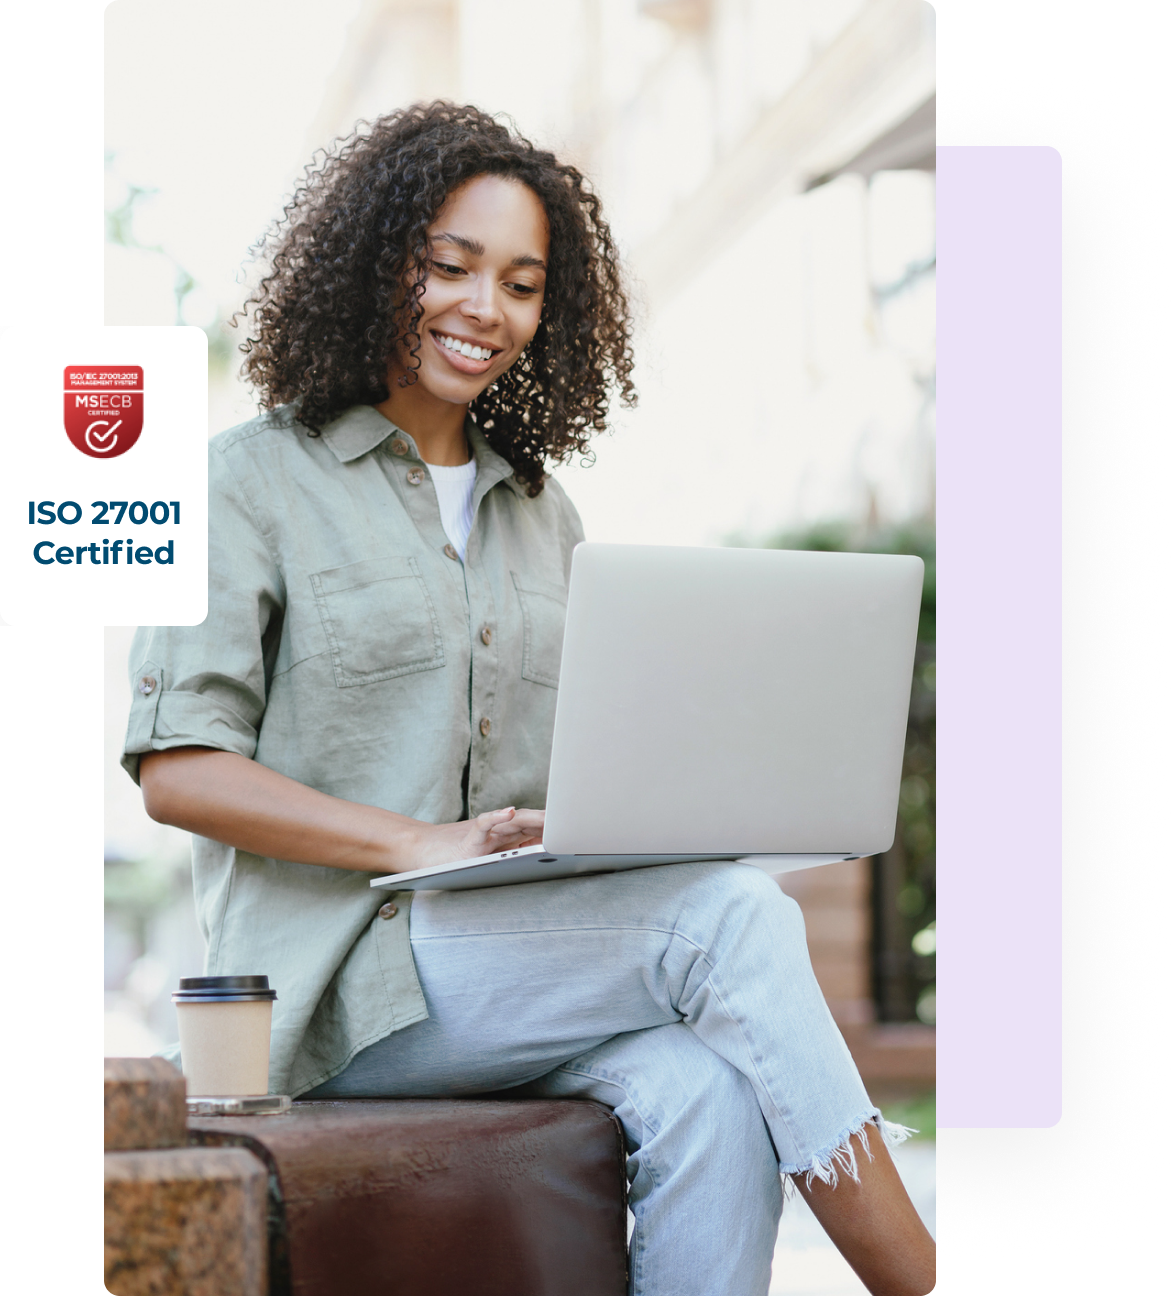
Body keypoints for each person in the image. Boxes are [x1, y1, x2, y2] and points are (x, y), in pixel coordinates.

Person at [124, 102, 935, 1296]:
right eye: (447, 266)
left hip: (513, 964)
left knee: (705, 1091)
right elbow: (176, 769)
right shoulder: (246, 481)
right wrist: (415, 840)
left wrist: (628, 817)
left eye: (520, 283)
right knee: (729, 921)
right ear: (371, 264)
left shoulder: (542, 516)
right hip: (344, 988)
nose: (483, 310)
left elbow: (562, 772)